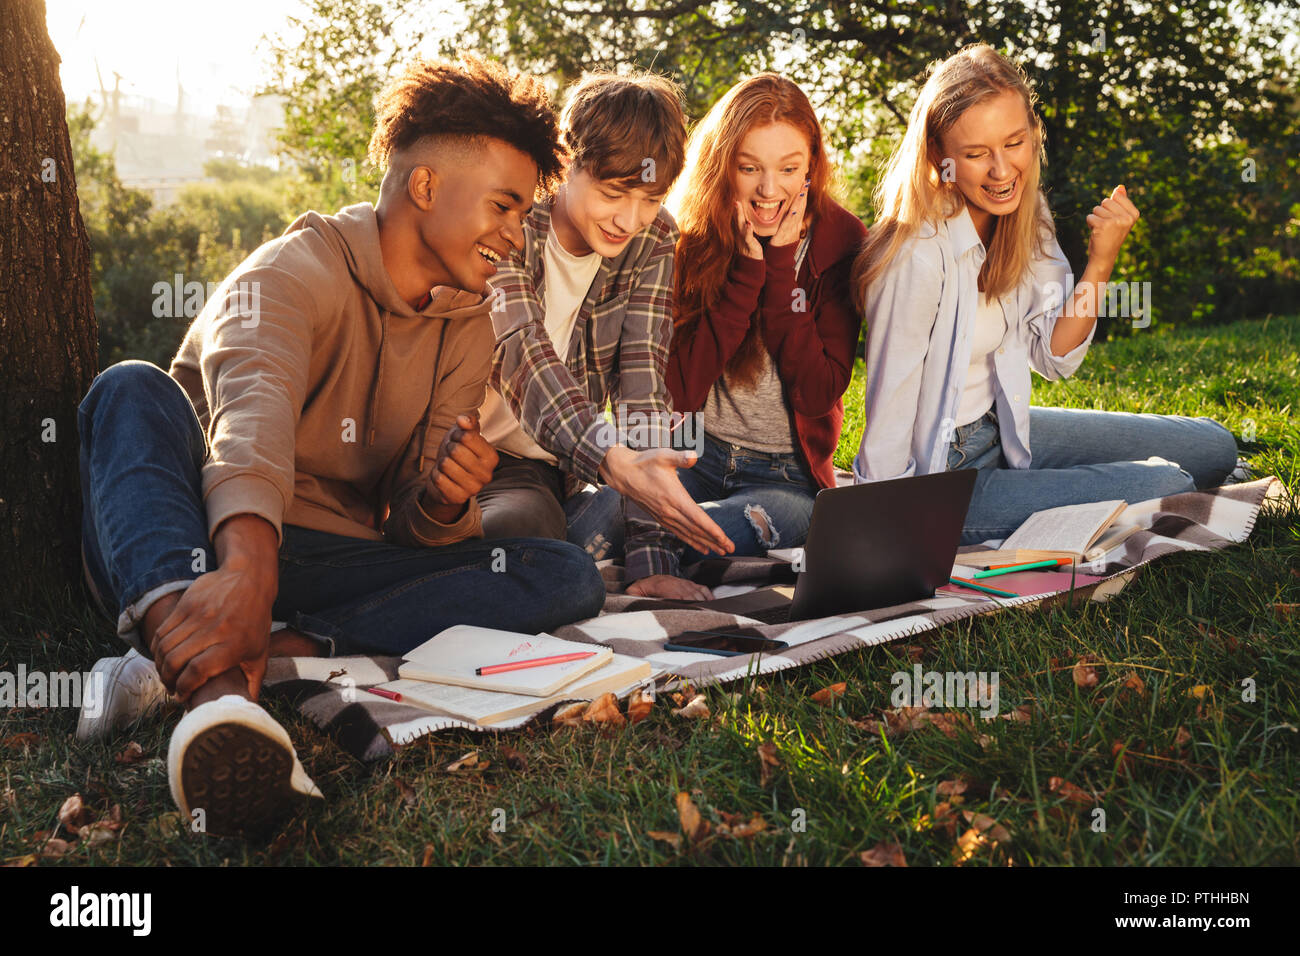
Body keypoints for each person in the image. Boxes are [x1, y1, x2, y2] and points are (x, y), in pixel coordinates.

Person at [74, 54, 605, 838]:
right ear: (425, 186)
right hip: (193, 539)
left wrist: (444, 498)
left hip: (321, 562)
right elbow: (249, 429)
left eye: (523, 214)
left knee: (558, 569)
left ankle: (189, 658)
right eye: (503, 205)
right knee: (128, 387)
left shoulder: (469, 321)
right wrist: (245, 576)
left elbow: (406, 526)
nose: (513, 235)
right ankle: (220, 694)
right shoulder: (290, 274)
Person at [851, 44, 1237, 543]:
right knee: (1169, 482)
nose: (1002, 170)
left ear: (1034, 132)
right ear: (939, 158)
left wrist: (1101, 262)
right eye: (975, 154)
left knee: (1215, 448)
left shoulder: (1026, 218)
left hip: (1003, 427)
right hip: (943, 477)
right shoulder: (917, 255)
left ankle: (1042, 482)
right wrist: (878, 526)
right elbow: (889, 406)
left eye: (1014, 143)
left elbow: (1053, 357)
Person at [479, 71, 733, 601]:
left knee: (527, 534)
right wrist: (612, 459)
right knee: (512, 545)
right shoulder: (512, 220)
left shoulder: (655, 239)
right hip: (452, 441)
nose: (629, 219)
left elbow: (644, 389)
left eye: (650, 198)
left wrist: (652, 562)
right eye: (615, 192)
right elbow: (522, 352)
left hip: (539, 469)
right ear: (568, 161)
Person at [629, 73, 866, 599]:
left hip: (785, 479)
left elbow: (816, 391)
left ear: (811, 167)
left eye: (788, 169)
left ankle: (657, 546)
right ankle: (659, 541)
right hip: (695, 452)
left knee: (759, 521)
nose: (768, 190)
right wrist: (743, 277)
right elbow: (676, 395)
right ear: (723, 168)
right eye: (749, 167)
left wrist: (779, 271)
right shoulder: (687, 237)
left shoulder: (842, 240)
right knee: (603, 512)